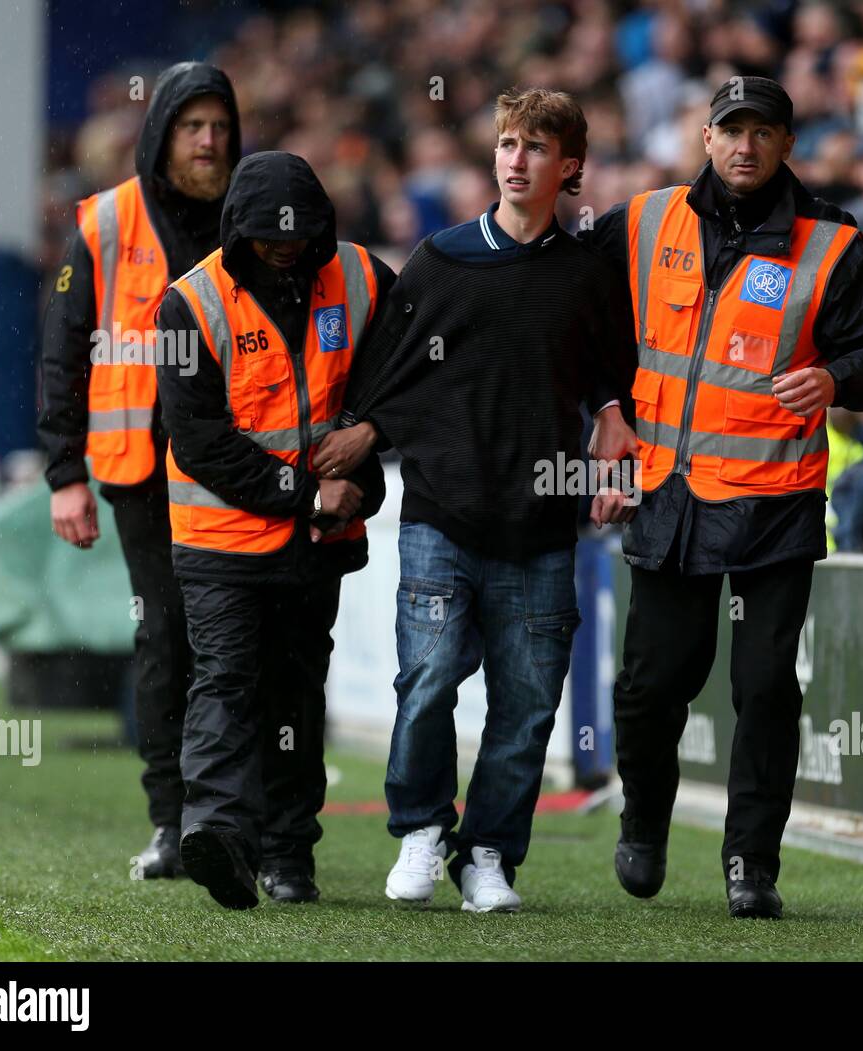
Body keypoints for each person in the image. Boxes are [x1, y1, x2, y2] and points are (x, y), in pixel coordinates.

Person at [579, 76, 863, 918]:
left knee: (766, 686)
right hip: (669, 490)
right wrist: (608, 411)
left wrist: (837, 374)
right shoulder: (644, 220)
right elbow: (583, 322)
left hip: (774, 498)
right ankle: (644, 819)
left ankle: (751, 863)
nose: (746, 146)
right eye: (731, 130)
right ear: (704, 137)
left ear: (787, 145)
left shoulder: (830, 242)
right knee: (651, 684)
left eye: (763, 132)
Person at [323, 89, 634, 913]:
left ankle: (489, 851)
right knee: (425, 681)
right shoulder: (441, 258)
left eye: (535, 145)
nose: (516, 159)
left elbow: (611, 369)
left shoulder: (587, 273)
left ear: (571, 166)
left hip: (542, 525)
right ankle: (421, 829)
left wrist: (609, 412)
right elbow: (389, 372)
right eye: (505, 143)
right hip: (439, 515)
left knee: (527, 707)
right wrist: (359, 438)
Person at [154, 152, 392, 909]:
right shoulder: (186, 307)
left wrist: (369, 434)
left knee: (295, 691)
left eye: (297, 236)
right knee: (225, 680)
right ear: (237, 234)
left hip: (314, 543)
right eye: (267, 238)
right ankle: (219, 834)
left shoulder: (363, 279)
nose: (285, 248)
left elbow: (413, 373)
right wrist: (306, 491)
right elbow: (200, 441)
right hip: (220, 542)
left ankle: (290, 854)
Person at [37, 62, 240, 879]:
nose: (210, 141)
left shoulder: (252, 211)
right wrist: (63, 472)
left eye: (221, 127)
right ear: (161, 132)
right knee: (167, 637)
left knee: (235, 645)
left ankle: (232, 821)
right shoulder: (104, 223)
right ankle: (172, 821)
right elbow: (62, 352)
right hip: (141, 475)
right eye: (194, 127)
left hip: (236, 469)